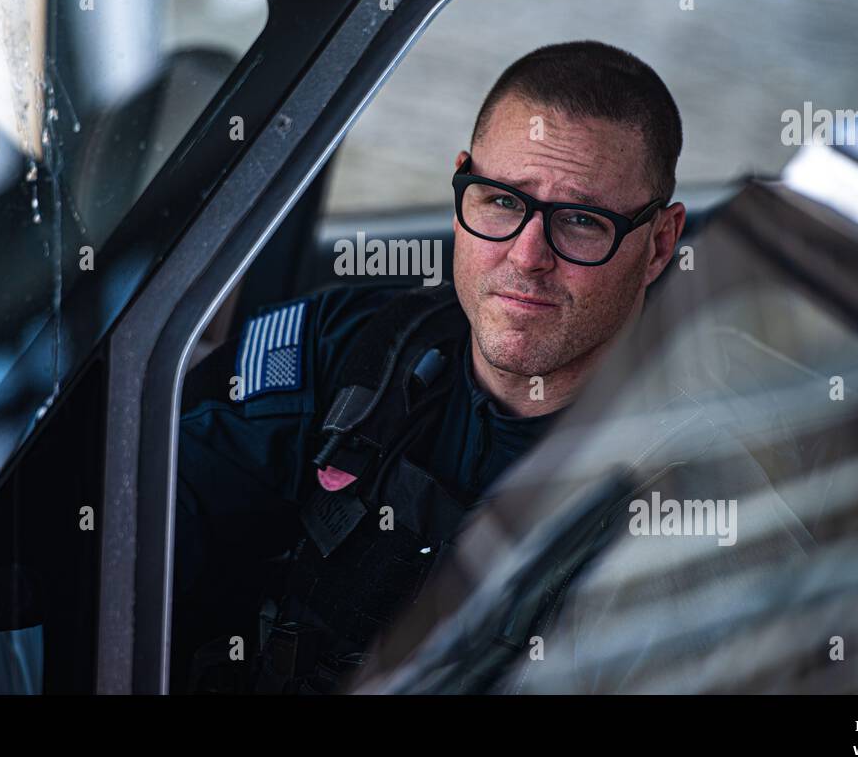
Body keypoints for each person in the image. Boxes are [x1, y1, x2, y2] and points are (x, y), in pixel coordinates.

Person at [172, 40, 687, 693]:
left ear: (660, 244)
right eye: (502, 200)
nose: (528, 255)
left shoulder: (689, 502)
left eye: (581, 220)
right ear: (461, 192)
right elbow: (148, 516)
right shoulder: (356, 349)